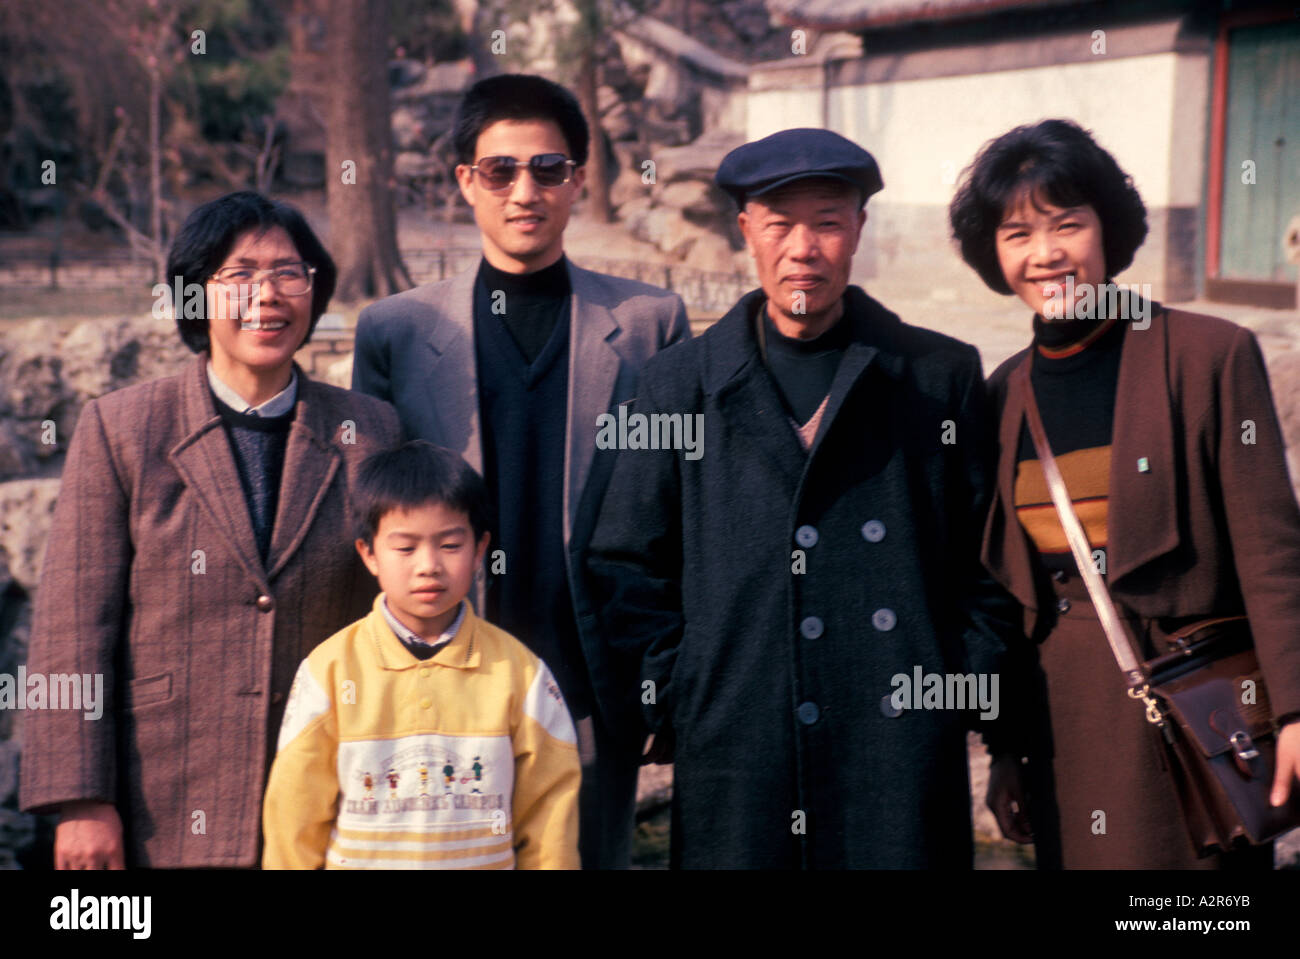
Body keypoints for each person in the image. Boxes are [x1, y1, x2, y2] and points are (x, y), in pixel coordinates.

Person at [585, 128, 1022, 868]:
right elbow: (626, 562)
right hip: (737, 743)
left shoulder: (937, 375)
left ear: (858, 230)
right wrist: (682, 688)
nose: (803, 247)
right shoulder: (677, 383)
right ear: (745, 230)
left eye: (827, 221)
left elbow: (986, 566)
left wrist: (952, 689)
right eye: (780, 223)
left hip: (897, 746)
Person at [352, 73, 690, 869]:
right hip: (439, 675)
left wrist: (659, 675)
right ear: (465, 180)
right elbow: (369, 519)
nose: (524, 190)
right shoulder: (396, 330)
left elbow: (680, 512)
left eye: (548, 168)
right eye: (499, 170)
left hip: (592, 680)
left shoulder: (650, 324)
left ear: (578, 177)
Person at [950, 118, 1300, 868]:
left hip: (1194, 706)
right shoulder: (1002, 393)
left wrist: (1297, 708)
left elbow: (1272, 554)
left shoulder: (1209, 355)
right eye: (1017, 234)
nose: (1045, 254)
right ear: (994, 254)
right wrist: (1007, 748)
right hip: (1062, 721)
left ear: (1108, 229)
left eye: (1066, 224)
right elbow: (1001, 600)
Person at [19, 191, 402, 868]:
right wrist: (79, 801)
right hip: (162, 794)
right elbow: (72, 627)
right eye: (241, 274)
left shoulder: (368, 430)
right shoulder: (124, 428)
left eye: (290, 272)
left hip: (327, 797)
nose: (269, 294)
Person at [262, 441, 580, 869]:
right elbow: (294, 819)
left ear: (480, 549)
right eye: (405, 548)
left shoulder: (520, 674)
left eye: (450, 545)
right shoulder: (330, 672)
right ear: (369, 554)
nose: (428, 565)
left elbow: (550, 819)